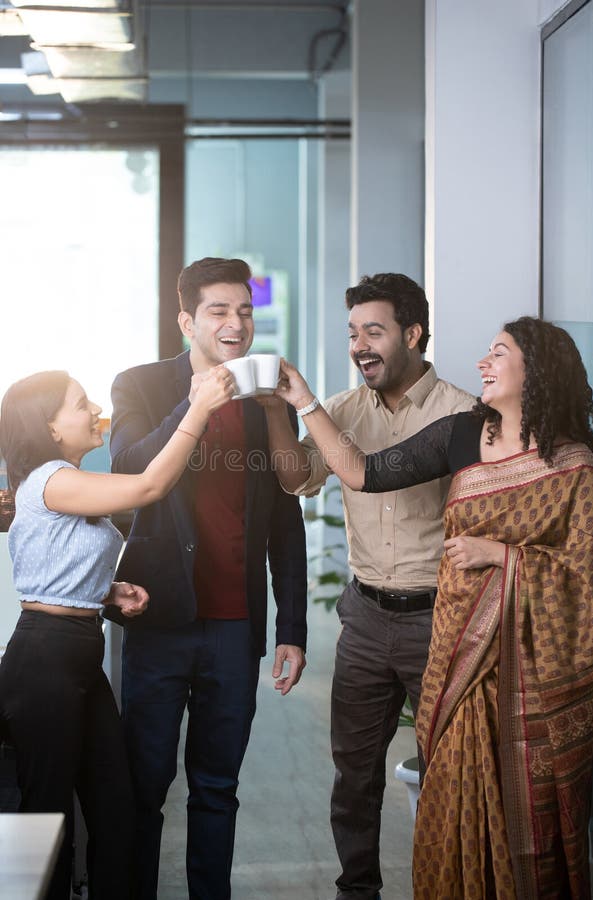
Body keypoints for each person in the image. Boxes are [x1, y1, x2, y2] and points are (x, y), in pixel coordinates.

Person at [277, 315, 593, 899]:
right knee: (450, 784)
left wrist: (502, 555)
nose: (483, 362)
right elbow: (364, 473)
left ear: (537, 371)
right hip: (459, 655)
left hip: (530, 670)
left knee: (527, 796)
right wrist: (303, 401)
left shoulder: (575, 468)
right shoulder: (460, 432)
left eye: (498, 353)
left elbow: (586, 575)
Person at [261, 273, 473, 900]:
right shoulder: (344, 411)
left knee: (446, 771)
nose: (360, 346)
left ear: (413, 333)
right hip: (363, 621)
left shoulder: (461, 414)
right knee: (353, 776)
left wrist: (302, 405)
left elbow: (368, 474)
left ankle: (447, 885)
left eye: (374, 331)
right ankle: (359, 890)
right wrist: (277, 410)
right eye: (352, 333)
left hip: (437, 620)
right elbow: (297, 477)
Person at [105, 256, 308, 900]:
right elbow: (131, 471)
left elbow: (286, 516)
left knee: (217, 789)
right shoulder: (138, 384)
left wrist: (292, 627)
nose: (236, 323)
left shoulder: (263, 402)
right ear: (187, 320)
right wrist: (197, 404)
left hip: (235, 627)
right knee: (145, 784)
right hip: (158, 619)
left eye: (245, 311)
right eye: (219, 311)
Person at [0, 365, 234, 900]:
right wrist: (199, 406)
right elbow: (150, 484)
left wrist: (106, 592)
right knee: (45, 819)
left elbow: (49, 562)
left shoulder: (64, 483)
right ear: (51, 426)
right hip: (44, 661)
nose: (94, 412)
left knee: (115, 808)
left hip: (78, 657)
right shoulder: (52, 480)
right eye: (80, 403)